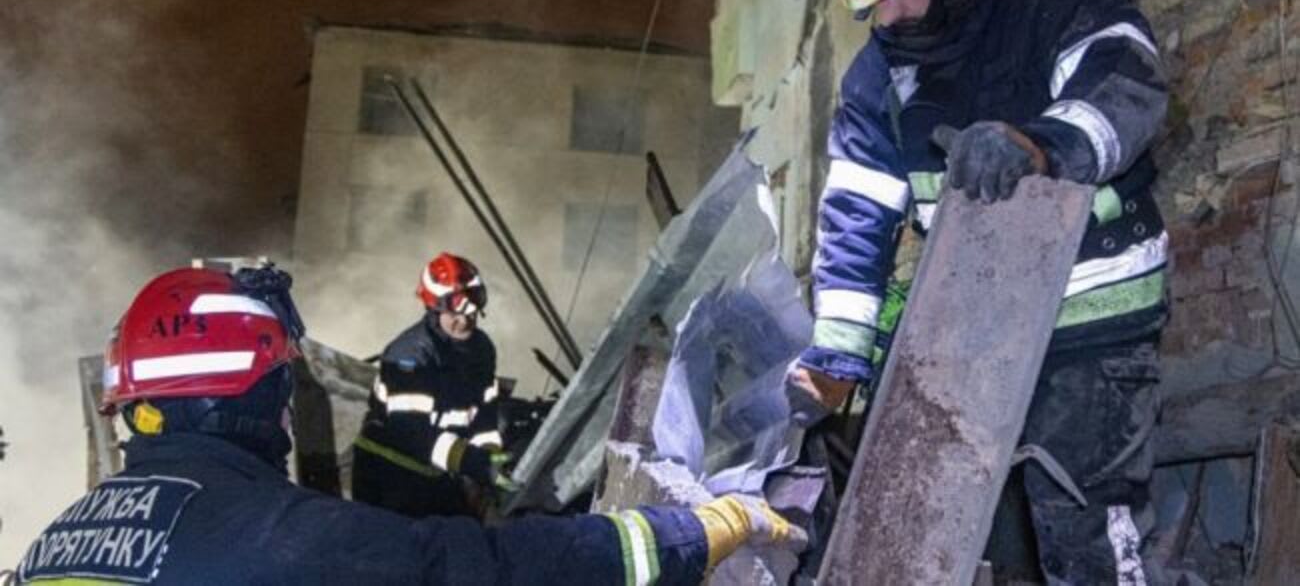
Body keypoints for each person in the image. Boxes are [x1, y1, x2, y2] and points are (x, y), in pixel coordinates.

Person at [784, 0, 1169, 584]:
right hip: (971, 335)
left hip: (1089, 325)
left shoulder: (1065, 1)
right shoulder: (874, 83)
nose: (885, 15)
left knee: (1088, 537)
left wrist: (1040, 146)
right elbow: (857, 226)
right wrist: (834, 360)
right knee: (955, 540)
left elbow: (1126, 89)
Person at [16, 264, 801, 585]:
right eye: (277, 386)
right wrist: (694, 531)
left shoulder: (53, 543)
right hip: (402, 490)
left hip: (439, 489)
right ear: (243, 399)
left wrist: (489, 465)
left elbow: (478, 423)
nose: (289, 411)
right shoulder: (277, 537)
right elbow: (477, 570)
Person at [352, 253, 507, 519]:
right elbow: (412, 434)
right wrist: (477, 465)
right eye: (455, 310)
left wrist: (492, 459)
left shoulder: (481, 349)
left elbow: (484, 418)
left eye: (472, 306)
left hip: (438, 471)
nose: (465, 319)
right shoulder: (410, 356)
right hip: (389, 474)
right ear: (434, 308)